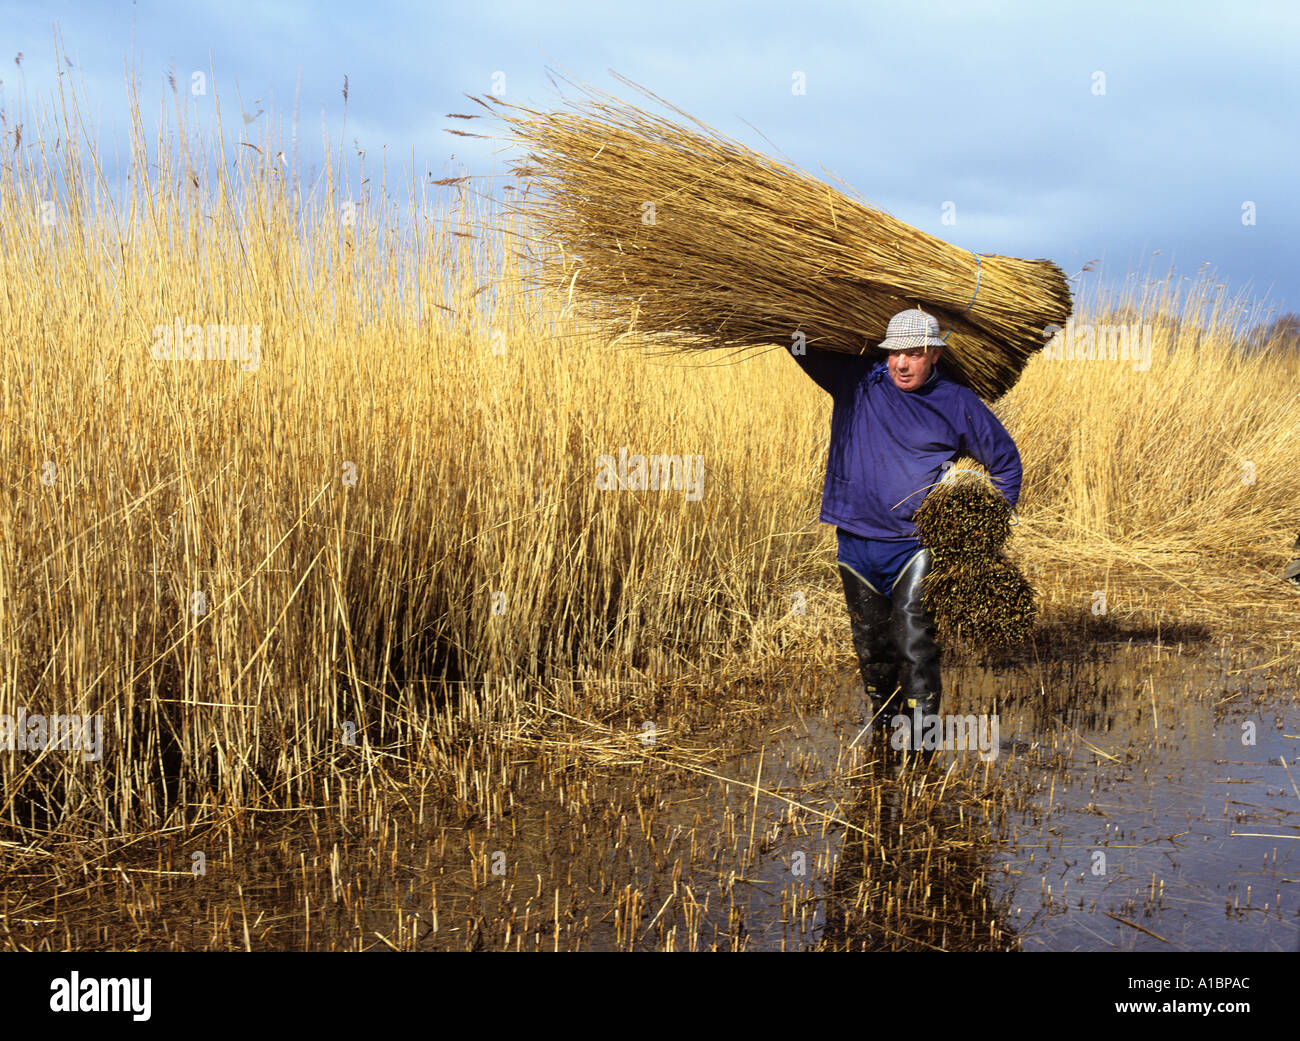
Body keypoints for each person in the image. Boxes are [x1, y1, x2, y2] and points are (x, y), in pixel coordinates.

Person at [789, 307, 1022, 751]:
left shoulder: (957, 402)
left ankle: (920, 751)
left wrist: (983, 535)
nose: (901, 363)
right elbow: (795, 339)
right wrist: (781, 304)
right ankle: (884, 738)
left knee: (914, 642)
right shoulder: (857, 383)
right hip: (856, 540)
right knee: (872, 648)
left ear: (935, 354)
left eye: (913, 354)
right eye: (895, 353)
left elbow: (1005, 464)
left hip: (916, 545)